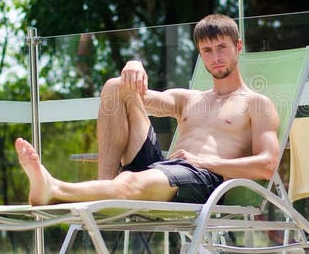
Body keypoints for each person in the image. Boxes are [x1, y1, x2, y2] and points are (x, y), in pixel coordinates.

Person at [16, 13, 280, 207]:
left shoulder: (256, 104)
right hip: (165, 168)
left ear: (238, 47)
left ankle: (57, 189)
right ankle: (104, 195)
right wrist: (133, 64)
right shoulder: (188, 98)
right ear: (200, 55)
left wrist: (204, 162)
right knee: (115, 86)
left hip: (203, 179)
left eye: (222, 47)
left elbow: (267, 165)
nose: (216, 57)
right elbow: (134, 93)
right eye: (207, 50)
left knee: (130, 182)